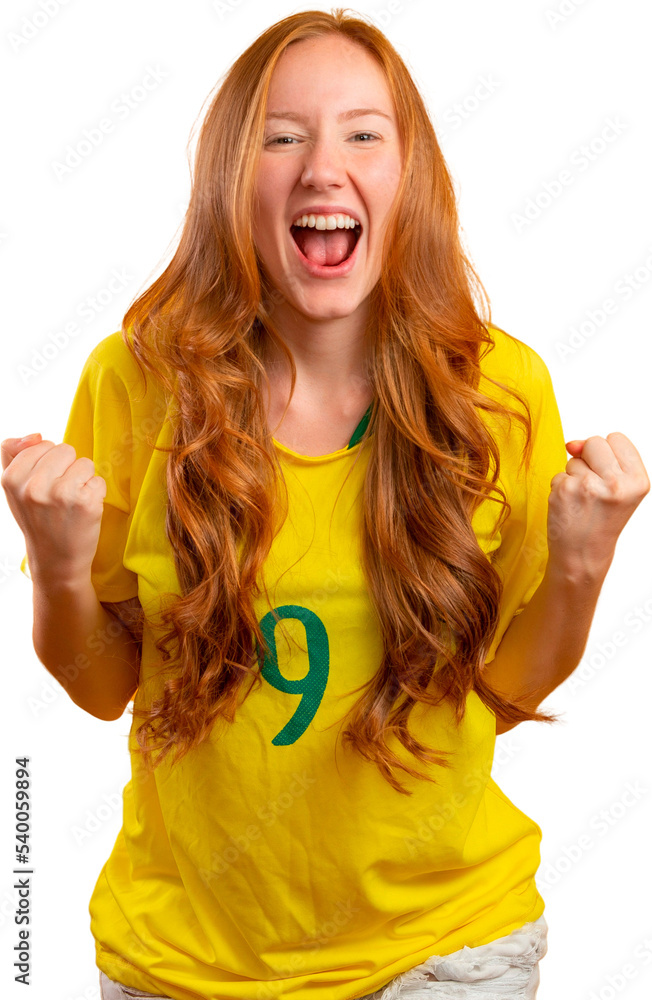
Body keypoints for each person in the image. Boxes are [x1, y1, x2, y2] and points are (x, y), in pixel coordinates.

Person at [1, 8, 649, 1000]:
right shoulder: (133, 383)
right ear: (233, 176)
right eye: (282, 135)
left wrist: (581, 563)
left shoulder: (501, 392)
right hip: (183, 959)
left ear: (408, 178)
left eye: (361, 133)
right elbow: (102, 687)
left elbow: (502, 695)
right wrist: (53, 564)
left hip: (442, 943)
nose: (321, 167)